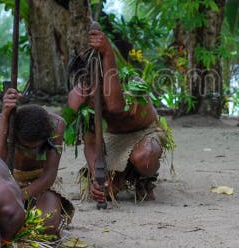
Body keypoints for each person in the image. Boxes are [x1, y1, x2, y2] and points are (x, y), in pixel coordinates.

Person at [66, 27, 167, 203]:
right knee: (105, 190)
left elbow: (115, 107)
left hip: (144, 133)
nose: (90, 89)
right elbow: (90, 143)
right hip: (111, 140)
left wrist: (107, 51)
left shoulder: (132, 88)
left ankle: (144, 179)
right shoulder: (82, 99)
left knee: (144, 159)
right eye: (86, 82)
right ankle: (117, 178)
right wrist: (97, 176)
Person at [0, 88, 74, 237]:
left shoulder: (57, 125)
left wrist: (19, 196)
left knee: (46, 225)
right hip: (9, 183)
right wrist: (4, 118)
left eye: (35, 148)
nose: (30, 151)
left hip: (41, 185)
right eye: (24, 147)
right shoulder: (6, 122)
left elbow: (49, 176)